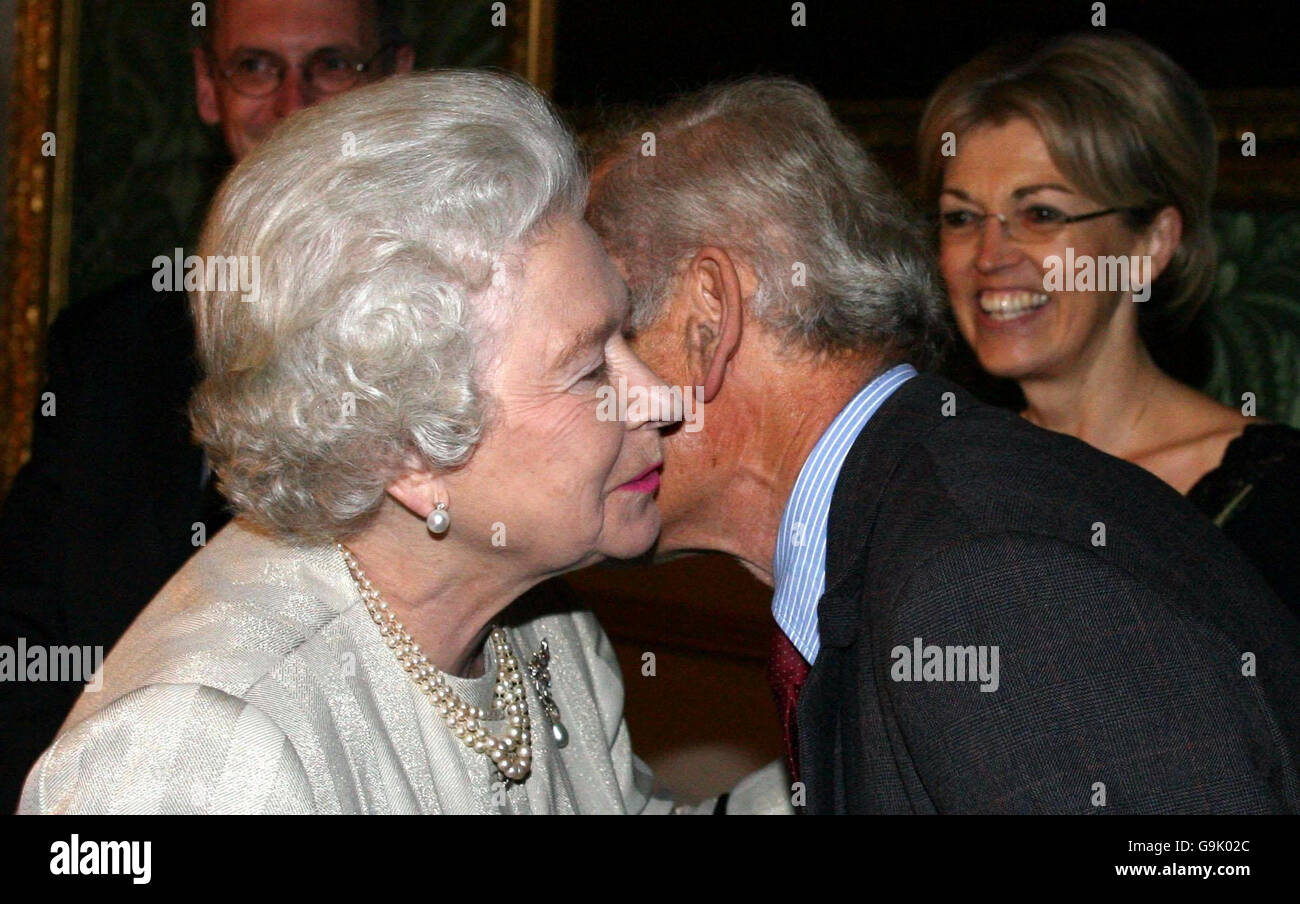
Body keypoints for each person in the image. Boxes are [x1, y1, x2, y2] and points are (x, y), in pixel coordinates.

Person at [586, 76, 1300, 813]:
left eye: (609, 338)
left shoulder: (985, 580)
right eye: (962, 218)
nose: (588, 396)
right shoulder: (908, 522)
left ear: (710, 316)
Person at [22, 68, 686, 814]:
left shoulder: (548, 634)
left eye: (627, 336)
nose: (660, 399)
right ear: (407, 450)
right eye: (592, 366)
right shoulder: (200, 753)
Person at [0, 0, 413, 809]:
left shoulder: (458, 349)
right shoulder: (108, 345)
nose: (293, 104)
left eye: (331, 64)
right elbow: (24, 626)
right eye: (256, 67)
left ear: (394, 79)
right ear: (206, 88)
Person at [917, 32, 1300, 617]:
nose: (989, 256)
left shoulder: (1274, 501)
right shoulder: (936, 478)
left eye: (1040, 213)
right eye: (961, 217)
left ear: (1149, 244)